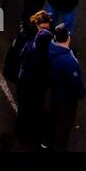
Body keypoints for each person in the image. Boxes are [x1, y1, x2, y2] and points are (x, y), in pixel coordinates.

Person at [15, 13, 54, 146]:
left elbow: (20, 56)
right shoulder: (45, 56)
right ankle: (28, 134)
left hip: (24, 82)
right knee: (33, 108)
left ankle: (21, 132)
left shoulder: (31, 44)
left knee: (23, 109)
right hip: (35, 86)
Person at [45, 24, 85, 151]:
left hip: (53, 90)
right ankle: (59, 146)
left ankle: (46, 141)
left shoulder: (50, 47)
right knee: (64, 122)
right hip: (66, 96)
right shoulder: (69, 61)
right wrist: (81, 93)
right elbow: (76, 82)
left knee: (52, 116)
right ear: (68, 37)